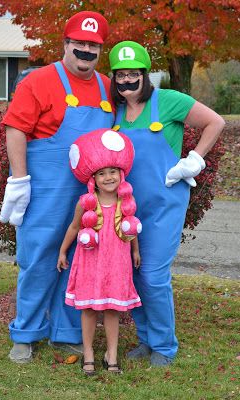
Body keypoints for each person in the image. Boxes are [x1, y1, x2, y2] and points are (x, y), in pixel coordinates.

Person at [0, 11, 114, 363]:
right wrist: (20, 181)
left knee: (82, 257)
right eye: (78, 42)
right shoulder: (39, 81)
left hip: (90, 192)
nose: (85, 50)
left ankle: (66, 333)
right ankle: (27, 332)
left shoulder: (108, 87)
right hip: (47, 188)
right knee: (38, 259)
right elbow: (16, 129)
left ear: (100, 49)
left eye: (92, 45)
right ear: (65, 44)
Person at [109, 41, 225, 366]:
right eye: (121, 75)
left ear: (145, 75)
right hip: (127, 206)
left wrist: (194, 159)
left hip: (164, 206)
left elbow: (216, 122)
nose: (127, 81)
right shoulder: (114, 112)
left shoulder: (169, 101)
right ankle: (146, 340)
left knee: (152, 275)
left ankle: (164, 345)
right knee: (133, 273)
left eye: (134, 74)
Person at [57, 128, 142, 374]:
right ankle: (89, 353)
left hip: (117, 263)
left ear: (121, 174)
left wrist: (135, 251)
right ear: (93, 178)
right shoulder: (86, 203)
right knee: (90, 309)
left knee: (112, 310)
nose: (108, 177)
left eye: (112, 172)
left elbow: (131, 229)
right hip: (90, 263)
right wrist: (63, 251)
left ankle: (112, 354)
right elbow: (74, 227)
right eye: (102, 173)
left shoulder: (125, 202)